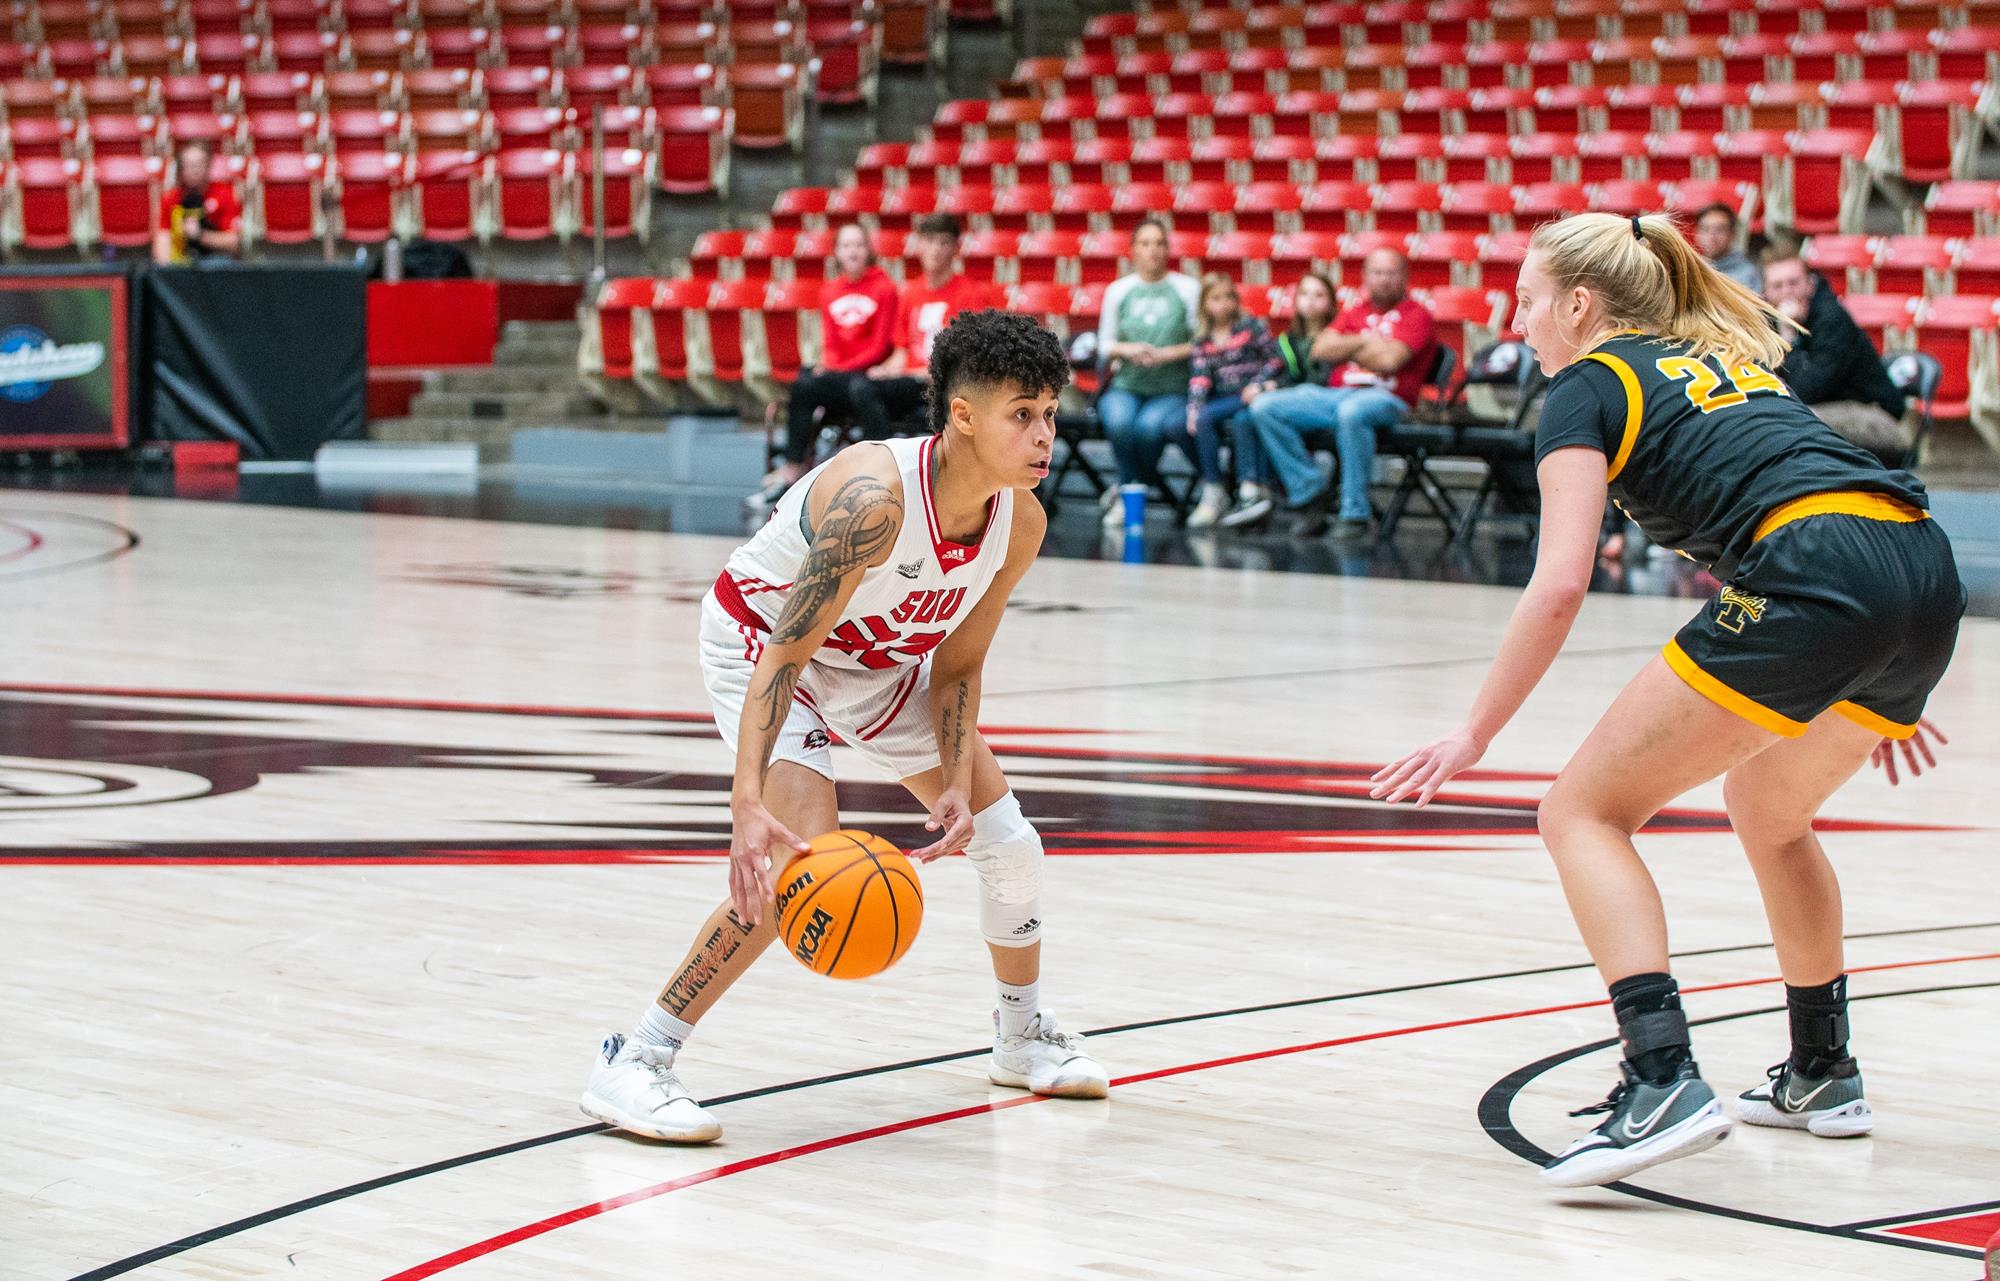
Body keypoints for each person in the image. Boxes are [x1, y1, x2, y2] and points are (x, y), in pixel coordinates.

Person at [1371, 212, 1963, 1189]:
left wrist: (1473, 730)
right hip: (1914, 570)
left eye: (1523, 299)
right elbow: (1822, 494)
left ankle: (1659, 1080)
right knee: (1768, 811)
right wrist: (1879, 656)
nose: (1512, 320)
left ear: (1576, 302)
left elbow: (1559, 581)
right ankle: (1820, 1069)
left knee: (1578, 811)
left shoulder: (1584, 387)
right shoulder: (1721, 360)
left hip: (1822, 578)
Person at [582, 310, 1108, 1144]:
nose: (1045, 434)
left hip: (878, 662)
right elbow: (785, 653)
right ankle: (635, 1057)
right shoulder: (874, 499)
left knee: (1009, 843)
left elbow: (960, 665)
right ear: (962, 416)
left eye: (1050, 413)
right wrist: (746, 800)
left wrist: (960, 788)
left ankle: (1019, 1037)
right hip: (765, 641)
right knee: (795, 861)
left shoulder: (1020, 524)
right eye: (1023, 414)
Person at [1244, 250, 1437, 539]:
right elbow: (1320, 349)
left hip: (1387, 399)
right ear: (1365, 277)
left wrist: (1348, 346)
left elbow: (1390, 362)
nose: (1383, 279)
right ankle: (1310, 490)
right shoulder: (1354, 312)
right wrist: (1367, 342)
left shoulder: (1417, 315)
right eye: (1377, 272)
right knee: (1265, 407)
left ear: (1404, 277)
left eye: (1390, 273)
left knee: (1353, 412)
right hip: (1336, 395)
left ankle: (1354, 514)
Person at [754, 223, 903, 506]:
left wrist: (838, 370)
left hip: (868, 377)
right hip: (841, 377)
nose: (853, 251)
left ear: (868, 250)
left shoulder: (885, 289)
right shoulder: (829, 291)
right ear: (837, 253)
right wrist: (832, 369)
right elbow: (831, 345)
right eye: (846, 246)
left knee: (858, 387)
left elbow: (881, 346)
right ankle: (791, 473)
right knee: (804, 383)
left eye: (859, 244)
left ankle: (880, 476)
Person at [853, 214, 998, 449]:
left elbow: (972, 360)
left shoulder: (973, 295)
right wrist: (884, 370)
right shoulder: (910, 292)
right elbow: (901, 352)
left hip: (943, 383)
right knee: (860, 385)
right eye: (929, 241)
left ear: (955, 248)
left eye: (943, 242)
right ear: (919, 245)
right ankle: (882, 460)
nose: (936, 250)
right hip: (910, 384)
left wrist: (926, 372)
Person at [1096, 218, 1201, 528]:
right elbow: (1104, 344)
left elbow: (1203, 343)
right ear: (1132, 251)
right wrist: (1127, 350)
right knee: (1118, 421)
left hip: (1172, 387)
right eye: (1145, 243)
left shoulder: (1187, 288)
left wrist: (1168, 354)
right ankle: (1131, 490)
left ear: (1168, 249)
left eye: (1159, 243)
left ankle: (1126, 491)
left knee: (1147, 428)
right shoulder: (1118, 291)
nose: (1153, 250)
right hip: (1127, 383)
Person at [1761, 247, 1910, 463]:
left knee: (1793, 418)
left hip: (1877, 417)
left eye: (1793, 283)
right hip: (1824, 412)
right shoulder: (1765, 321)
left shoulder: (1832, 320)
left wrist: (1788, 336)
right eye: (1777, 286)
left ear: (1810, 284)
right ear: (1765, 294)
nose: (1787, 292)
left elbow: (1806, 391)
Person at [1220, 272, 1338, 531]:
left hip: (1324, 409)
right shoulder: (1288, 341)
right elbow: (1281, 376)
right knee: (1245, 417)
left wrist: (1275, 387)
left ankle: (1289, 492)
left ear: (1331, 302)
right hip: (1284, 408)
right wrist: (1264, 385)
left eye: (1319, 295)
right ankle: (1253, 492)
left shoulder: (1338, 337)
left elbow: (1322, 383)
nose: (1311, 301)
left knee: (1264, 413)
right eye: (1305, 294)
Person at [1184, 274, 1286, 527]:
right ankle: (1214, 487)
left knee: (1238, 419)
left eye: (1229, 297)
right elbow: (1200, 377)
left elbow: (1275, 360)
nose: (1224, 304)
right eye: (1216, 298)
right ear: (1205, 304)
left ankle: (1248, 489)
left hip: (1251, 394)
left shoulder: (1251, 326)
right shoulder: (1202, 339)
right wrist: (1193, 406)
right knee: (1203, 417)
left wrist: (1258, 383)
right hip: (1225, 397)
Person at [151, 141, 241, 265]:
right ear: (181, 169)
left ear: (209, 165)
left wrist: (200, 235)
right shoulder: (170, 198)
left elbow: (234, 243)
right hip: (181, 259)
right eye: (188, 165)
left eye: (198, 164)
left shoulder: (225, 194)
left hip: (215, 260)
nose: (194, 170)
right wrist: (168, 272)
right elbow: (162, 241)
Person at [1694, 202, 1761, 293]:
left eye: (1719, 229)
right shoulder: (1692, 269)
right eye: (1705, 229)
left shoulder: (1747, 273)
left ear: (1732, 234)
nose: (1712, 235)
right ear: (1696, 234)